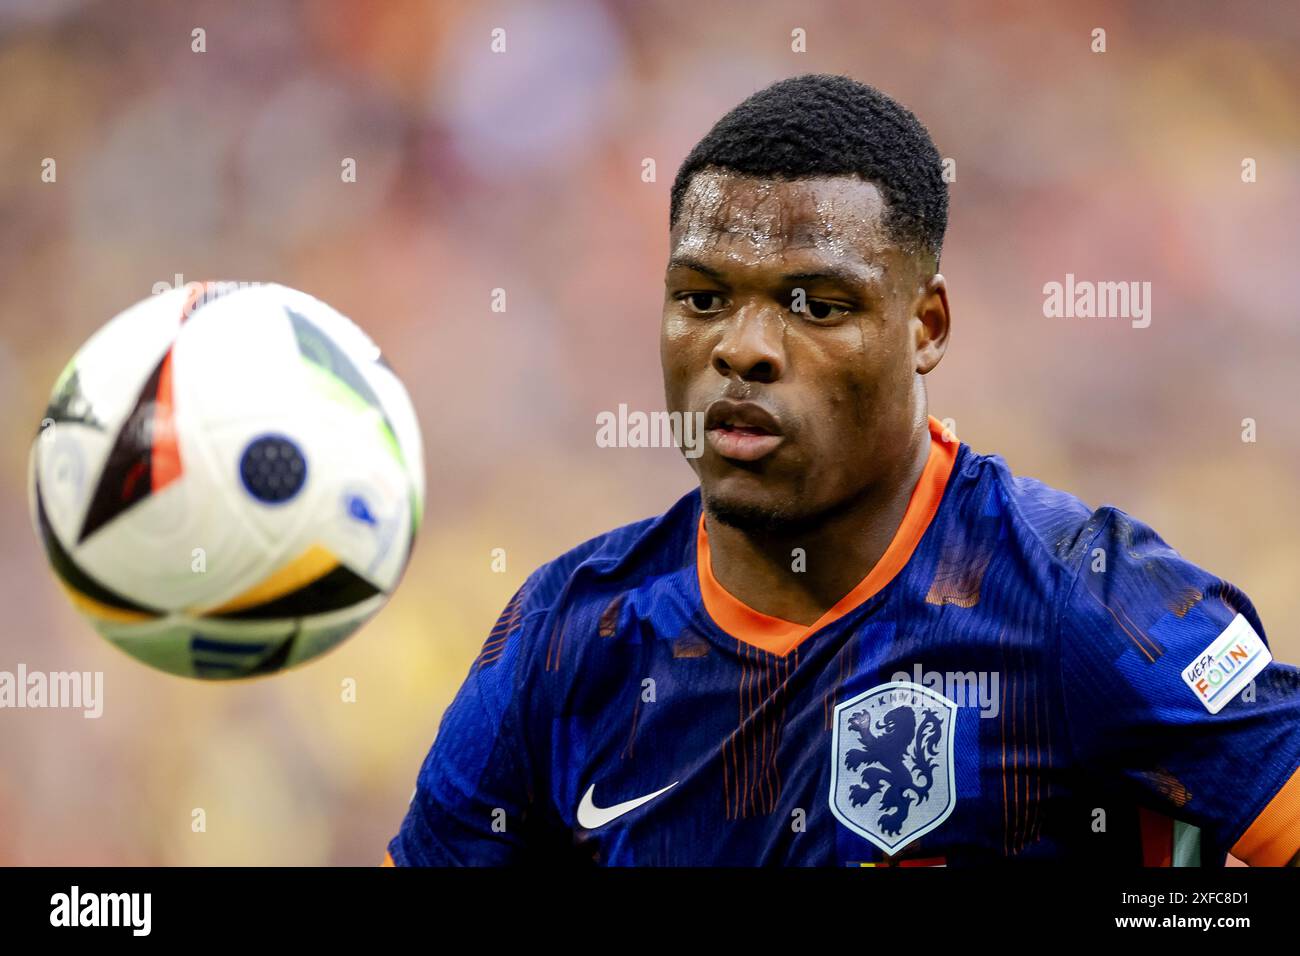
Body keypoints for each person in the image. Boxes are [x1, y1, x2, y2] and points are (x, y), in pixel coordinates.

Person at [386, 74, 1299, 866]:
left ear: (926, 327)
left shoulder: (1082, 602)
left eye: (818, 305)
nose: (742, 350)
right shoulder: (568, 636)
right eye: (701, 298)